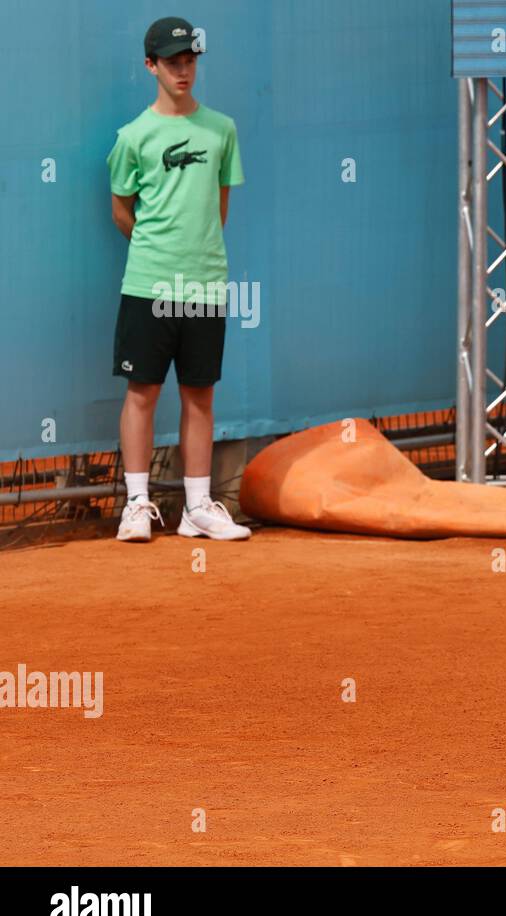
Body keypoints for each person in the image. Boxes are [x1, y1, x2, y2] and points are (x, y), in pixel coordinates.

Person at [108, 16, 249, 542]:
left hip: (205, 284)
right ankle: (138, 505)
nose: (183, 70)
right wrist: (156, 250)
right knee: (142, 392)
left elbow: (219, 209)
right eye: (172, 62)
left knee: (200, 394)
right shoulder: (133, 137)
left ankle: (196, 508)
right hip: (148, 284)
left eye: (190, 60)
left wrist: (193, 256)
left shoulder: (222, 130)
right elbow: (123, 209)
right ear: (151, 66)